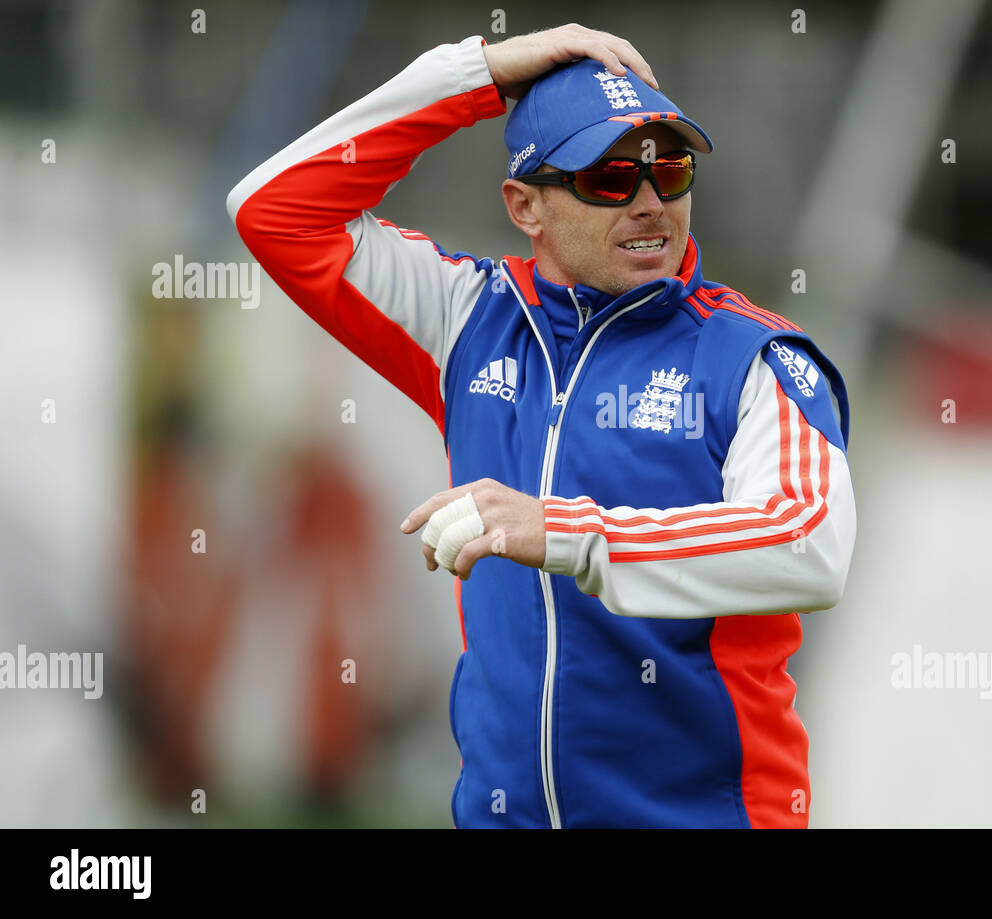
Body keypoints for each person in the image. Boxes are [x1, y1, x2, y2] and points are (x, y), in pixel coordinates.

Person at [227, 24, 856, 828]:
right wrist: (477, 72)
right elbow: (273, 210)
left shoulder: (751, 355)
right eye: (609, 177)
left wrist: (564, 533)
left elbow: (808, 544)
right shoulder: (466, 317)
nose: (650, 202)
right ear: (525, 205)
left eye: (670, 169)